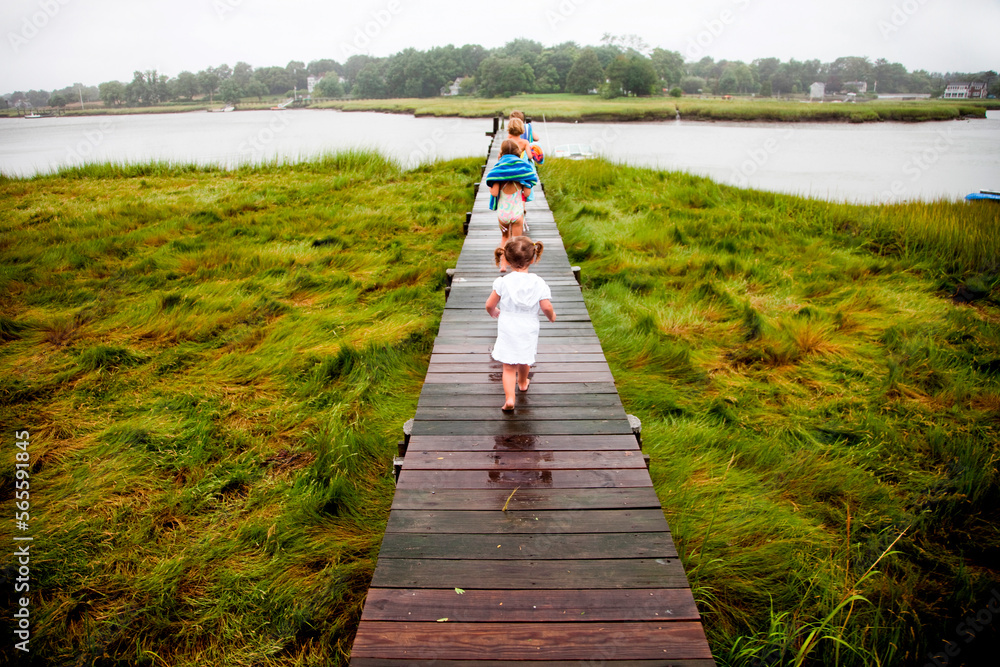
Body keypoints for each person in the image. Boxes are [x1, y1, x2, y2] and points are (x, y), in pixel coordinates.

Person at [485, 237, 556, 411]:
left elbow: (489, 304)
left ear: (507, 260)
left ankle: (510, 399)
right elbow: (546, 306)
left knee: (508, 366)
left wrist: (493, 312)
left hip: (508, 324)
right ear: (533, 259)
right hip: (529, 325)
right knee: (525, 356)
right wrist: (552, 316)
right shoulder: (539, 282)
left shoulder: (503, 282)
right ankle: (523, 383)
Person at [486, 139, 536, 272]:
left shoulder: (498, 173)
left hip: (503, 214)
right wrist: (525, 185)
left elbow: (494, 192)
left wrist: (491, 187)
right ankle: (516, 269)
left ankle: (503, 265)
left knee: (504, 238)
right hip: (517, 213)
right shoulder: (522, 172)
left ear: (501, 154)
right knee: (516, 241)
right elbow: (527, 192)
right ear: (518, 153)